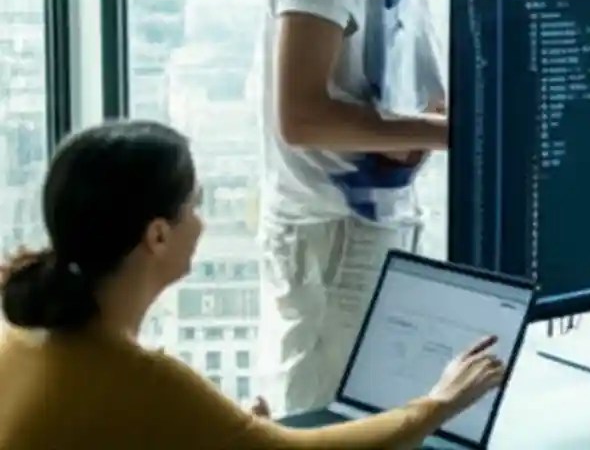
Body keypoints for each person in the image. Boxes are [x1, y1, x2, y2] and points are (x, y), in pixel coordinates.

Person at [0, 120, 505, 449]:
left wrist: (219, 432)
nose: (202, 223)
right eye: (194, 206)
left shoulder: (20, 343)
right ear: (157, 234)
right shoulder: (143, 378)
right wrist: (439, 404)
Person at [254, 0, 490, 414]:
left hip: (378, 226)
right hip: (329, 240)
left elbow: (402, 80)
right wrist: (452, 133)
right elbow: (300, 116)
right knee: (320, 425)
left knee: (376, 424)